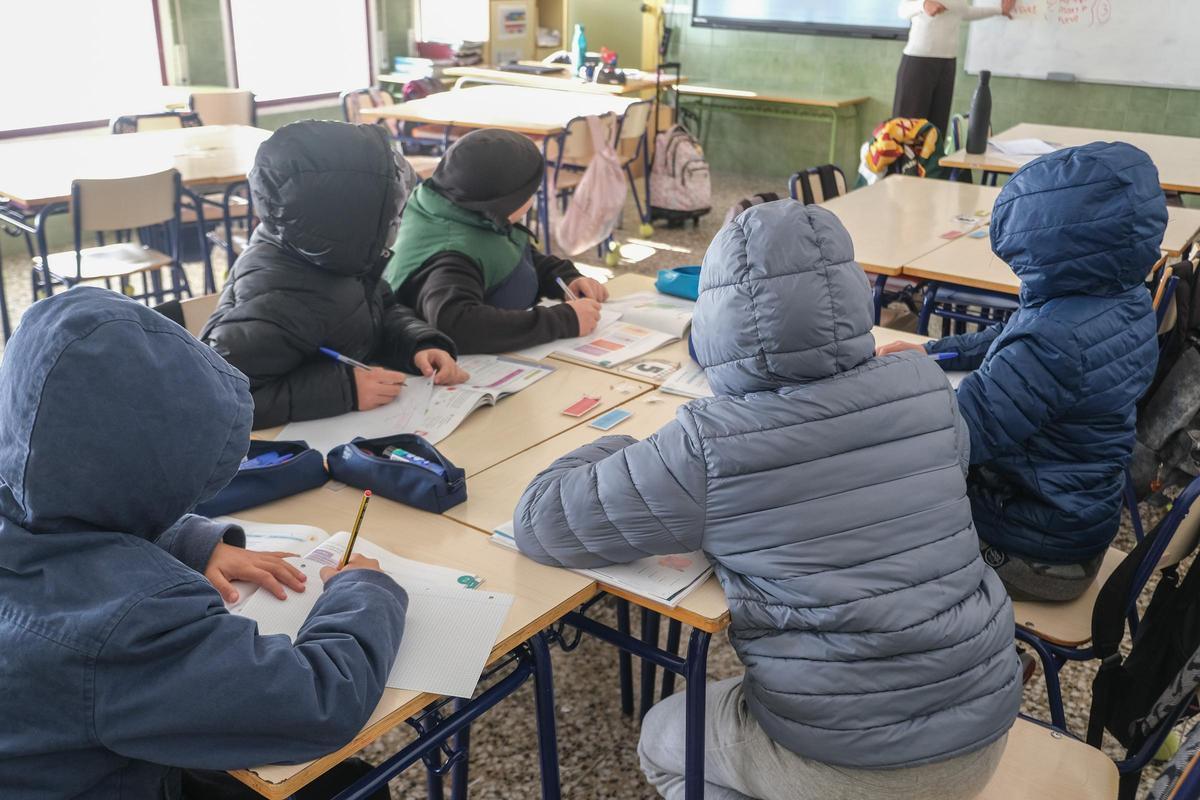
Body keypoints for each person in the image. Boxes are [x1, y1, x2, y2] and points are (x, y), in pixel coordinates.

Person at [513, 200, 1021, 800]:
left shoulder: (709, 445)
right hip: (983, 720)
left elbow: (540, 521)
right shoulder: (925, 389)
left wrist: (624, 445)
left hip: (849, 759)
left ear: (715, 316)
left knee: (662, 739)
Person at [0, 287, 407, 799]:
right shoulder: (128, 626)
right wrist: (365, 592)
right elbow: (317, 704)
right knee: (352, 786)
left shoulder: (28, 477)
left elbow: (65, 510)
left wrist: (191, 541)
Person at [879, 141, 1165, 602]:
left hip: (1036, 553)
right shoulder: (1121, 297)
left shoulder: (1052, 343)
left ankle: (973, 653)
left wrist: (868, 411)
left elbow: (951, 439)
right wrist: (932, 353)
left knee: (877, 530)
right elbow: (1012, 333)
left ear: (1055, 249)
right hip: (1078, 519)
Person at [202, 120, 467, 430]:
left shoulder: (332, 253)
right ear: (349, 217)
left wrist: (416, 345)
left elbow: (379, 310)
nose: (396, 221)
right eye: (390, 213)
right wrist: (345, 390)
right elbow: (215, 399)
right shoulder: (276, 298)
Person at [383, 128, 609, 355]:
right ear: (508, 200)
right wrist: (563, 321)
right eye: (530, 192)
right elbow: (456, 325)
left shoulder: (460, 204)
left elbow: (510, 253)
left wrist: (564, 277)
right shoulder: (450, 255)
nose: (532, 197)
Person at [894, 0, 1016, 139]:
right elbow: (902, 10)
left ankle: (933, 161)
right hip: (919, 61)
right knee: (908, 130)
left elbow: (963, 12)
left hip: (947, 63)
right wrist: (923, 4)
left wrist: (999, 10)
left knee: (936, 130)